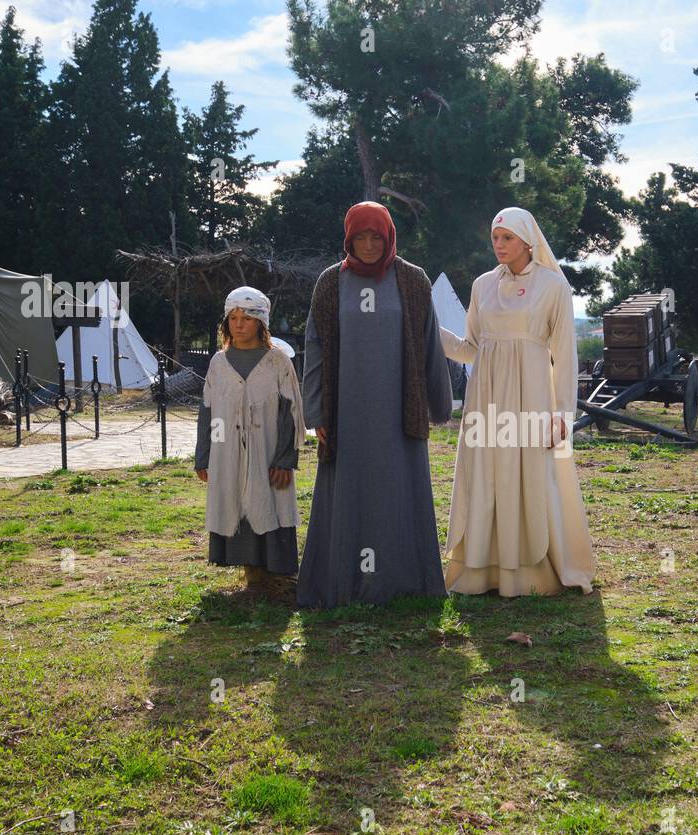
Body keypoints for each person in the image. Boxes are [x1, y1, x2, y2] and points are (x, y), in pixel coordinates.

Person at [296, 201, 453, 608]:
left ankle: (404, 584)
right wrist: (315, 414)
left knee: (397, 493)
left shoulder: (413, 280)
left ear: (389, 238)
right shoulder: (331, 284)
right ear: (349, 239)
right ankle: (346, 584)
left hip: (399, 412)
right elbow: (314, 351)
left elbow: (429, 345)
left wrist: (438, 406)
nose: (368, 245)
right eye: (360, 237)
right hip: (345, 413)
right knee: (351, 493)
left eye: (376, 237)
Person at [438, 207, 595, 596]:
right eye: (495, 238)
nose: (499, 245)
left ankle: (531, 572)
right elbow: (471, 348)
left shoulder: (554, 286)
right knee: (487, 471)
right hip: (486, 396)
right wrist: (428, 326)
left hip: (533, 397)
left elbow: (564, 355)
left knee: (530, 472)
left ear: (528, 240)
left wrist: (563, 414)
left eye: (507, 237)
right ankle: (481, 568)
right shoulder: (482, 285)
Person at [194, 287, 304, 602]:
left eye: (247, 318)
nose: (239, 324)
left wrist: (284, 459)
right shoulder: (218, 363)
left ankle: (278, 580)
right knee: (236, 506)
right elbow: (209, 412)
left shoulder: (278, 362)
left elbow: (290, 415)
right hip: (227, 454)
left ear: (261, 323)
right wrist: (205, 456)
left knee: (271, 506)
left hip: (268, 453)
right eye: (233, 318)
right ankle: (252, 579)